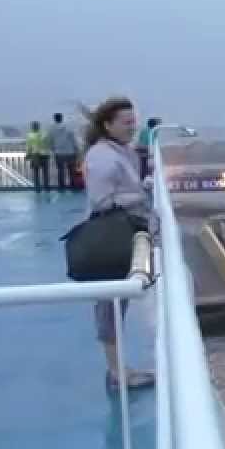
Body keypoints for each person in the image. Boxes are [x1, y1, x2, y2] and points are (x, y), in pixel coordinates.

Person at [82, 96, 155, 388]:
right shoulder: (102, 157)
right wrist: (141, 193)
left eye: (133, 121)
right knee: (110, 303)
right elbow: (101, 200)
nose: (132, 127)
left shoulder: (120, 151)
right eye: (126, 123)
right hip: (109, 235)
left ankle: (119, 369)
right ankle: (117, 373)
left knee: (117, 302)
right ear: (107, 124)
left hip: (122, 232)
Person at [47, 112, 80, 191]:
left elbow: (50, 141)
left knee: (60, 170)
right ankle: (73, 186)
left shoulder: (51, 129)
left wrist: (53, 149)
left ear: (54, 119)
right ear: (62, 118)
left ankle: (62, 187)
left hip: (58, 152)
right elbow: (73, 139)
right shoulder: (68, 127)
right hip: (70, 152)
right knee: (72, 170)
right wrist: (76, 148)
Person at [25, 121, 50, 191]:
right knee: (45, 172)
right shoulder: (44, 134)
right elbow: (48, 143)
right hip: (45, 154)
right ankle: (46, 187)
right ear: (39, 126)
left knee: (36, 173)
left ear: (32, 127)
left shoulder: (30, 135)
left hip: (35, 155)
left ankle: (37, 188)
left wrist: (27, 154)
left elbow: (28, 146)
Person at [135, 117, 160, 181]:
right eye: (157, 123)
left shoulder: (144, 131)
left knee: (143, 169)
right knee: (147, 169)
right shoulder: (153, 132)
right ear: (154, 124)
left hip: (143, 152)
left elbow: (140, 142)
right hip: (147, 152)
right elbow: (152, 143)